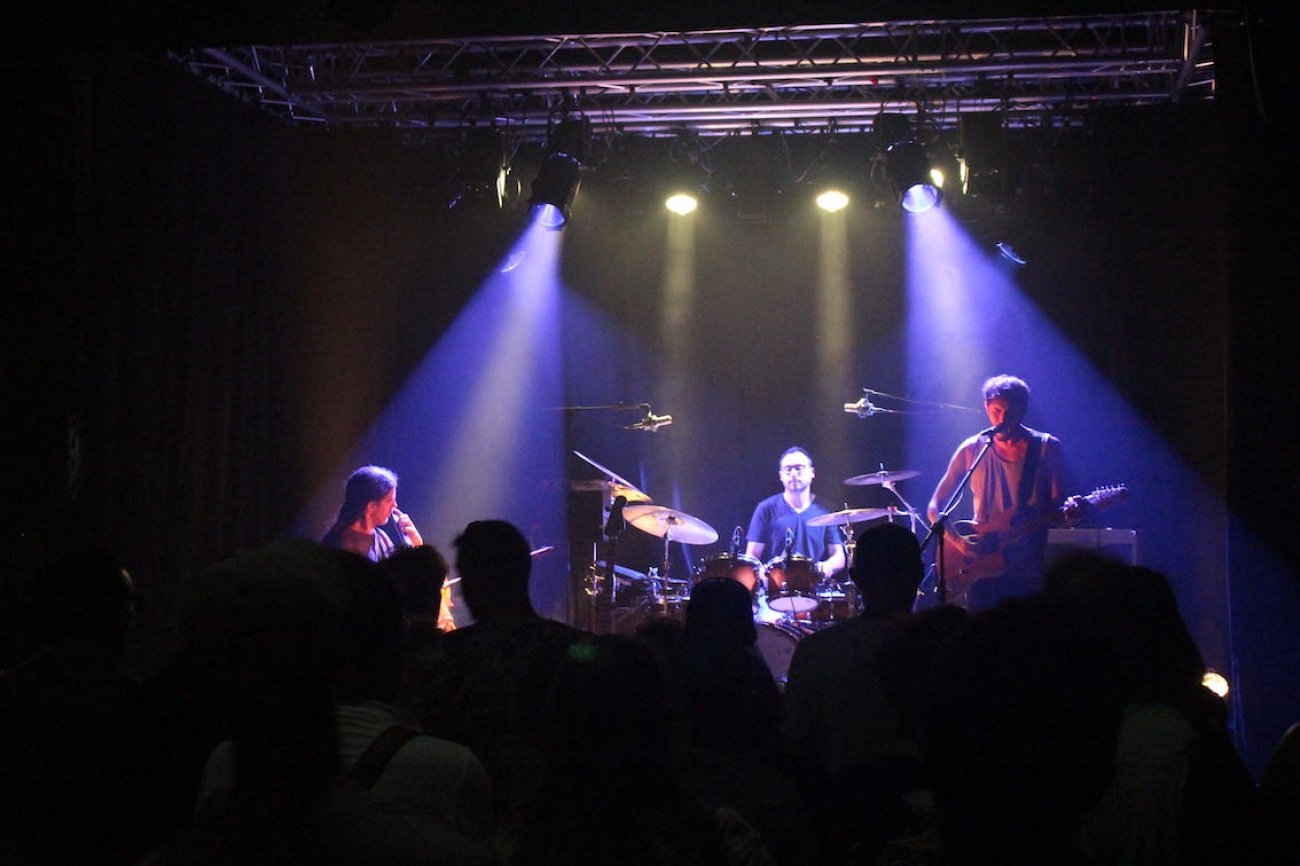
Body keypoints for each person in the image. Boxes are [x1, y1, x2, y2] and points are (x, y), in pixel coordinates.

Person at [926, 375, 1079, 610]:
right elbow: (935, 507)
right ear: (987, 407)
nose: (1003, 419)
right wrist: (959, 543)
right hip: (980, 564)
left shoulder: (1047, 448)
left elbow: (1058, 510)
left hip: (1027, 565)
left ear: (1023, 411)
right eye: (997, 410)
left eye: (1011, 411)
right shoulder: (972, 448)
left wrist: (1071, 513)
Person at [744, 446, 846, 579]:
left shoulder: (825, 509)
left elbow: (838, 556)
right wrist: (763, 573)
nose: (793, 473)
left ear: (812, 472)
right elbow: (751, 556)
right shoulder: (765, 509)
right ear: (780, 475)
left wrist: (827, 566)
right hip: (775, 588)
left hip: (814, 586)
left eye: (799, 468)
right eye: (788, 469)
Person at [322, 465, 423, 561]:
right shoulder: (343, 544)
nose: (395, 505)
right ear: (371, 507)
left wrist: (416, 545)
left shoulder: (381, 537)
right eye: (389, 501)